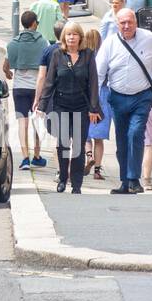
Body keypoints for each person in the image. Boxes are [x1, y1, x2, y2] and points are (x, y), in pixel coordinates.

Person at [95, 7, 152, 195]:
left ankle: (134, 178)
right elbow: (99, 72)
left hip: (142, 96)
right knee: (121, 139)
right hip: (117, 97)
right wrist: (95, 100)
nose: (127, 26)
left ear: (136, 22)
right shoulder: (110, 43)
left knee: (135, 133)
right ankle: (125, 181)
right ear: (117, 24)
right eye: (123, 23)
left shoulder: (150, 39)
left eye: (130, 22)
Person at [34, 21, 101, 193]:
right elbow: (49, 83)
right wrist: (41, 106)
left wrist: (93, 108)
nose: (71, 37)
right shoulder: (58, 55)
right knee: (63, 145)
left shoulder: (88, 55)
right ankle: (63, 178)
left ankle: (77, 184)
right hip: (61, 105)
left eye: (75, 34)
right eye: (68, 34)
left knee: (78, 146)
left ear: (80, 37)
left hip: (81, 107)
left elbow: (93, 83)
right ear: (64, 37)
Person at [4, 10, 49, 171]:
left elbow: (6, 67)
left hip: (19, 88)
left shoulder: (13, 43)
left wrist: (9, 73)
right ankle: (37, 156)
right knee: (37, 122)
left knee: (22, 123)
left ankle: (25, 158)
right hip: (37, 88)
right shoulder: (44, 43)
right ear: (34, 23)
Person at [83, 27, 110, 180]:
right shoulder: (104, 56)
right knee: (98, 138)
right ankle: (97, 170)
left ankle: (88, 156)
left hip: (87, 96)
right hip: (104, 96)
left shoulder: (83, 58)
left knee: (86, 134)